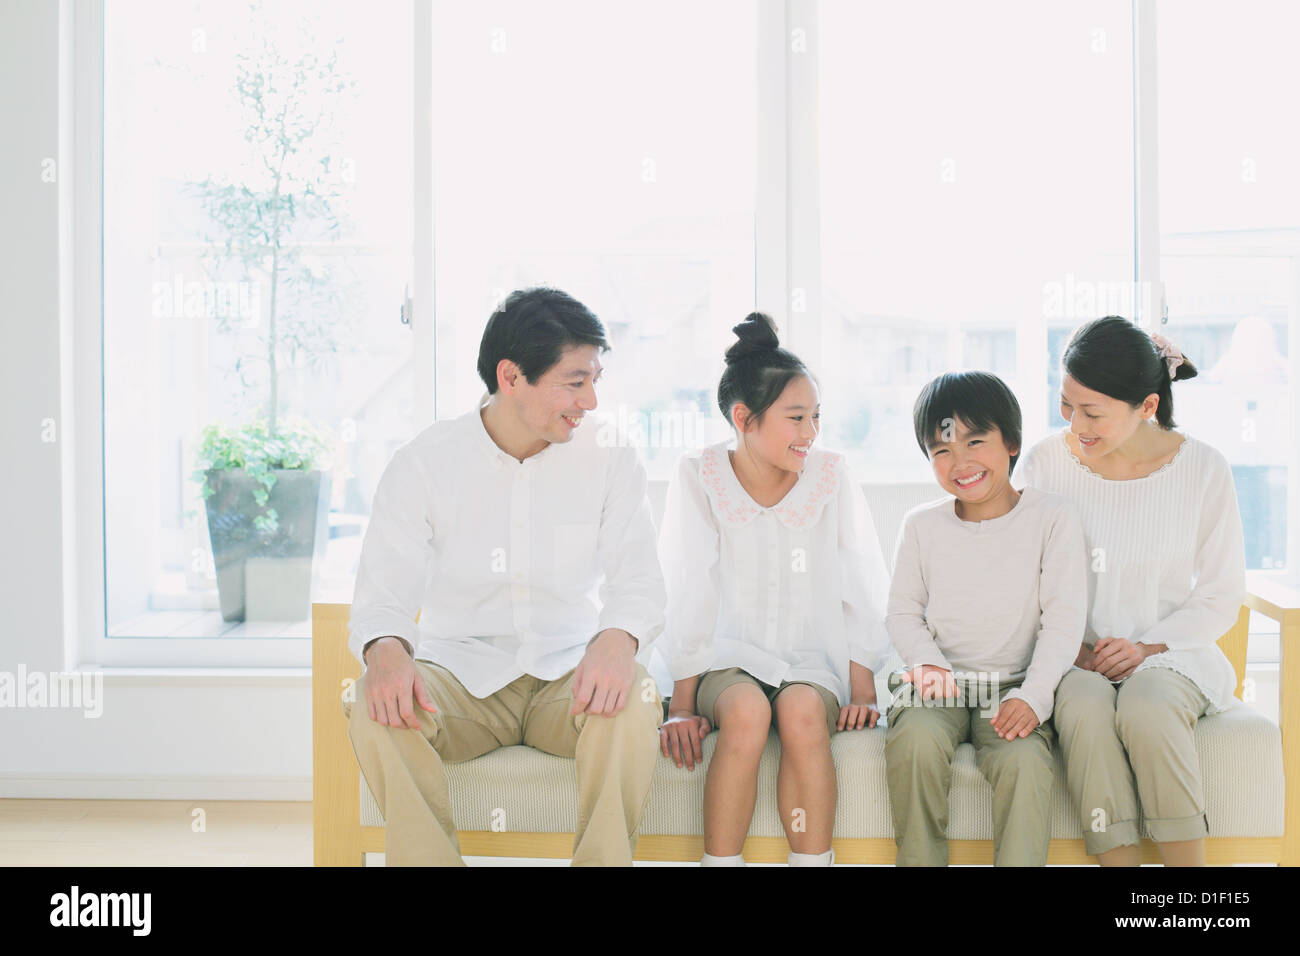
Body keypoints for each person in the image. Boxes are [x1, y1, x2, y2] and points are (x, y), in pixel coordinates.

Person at [342, 287, 667, 866]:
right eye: (574, 381)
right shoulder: (424, 462)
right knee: (372, 698)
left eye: (596, 379)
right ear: (511, 376)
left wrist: (618, 639)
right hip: (459, 679)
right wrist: (385, 647)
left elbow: (637, 580)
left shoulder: (612, 456)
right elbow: (382, 593)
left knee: (637, 692)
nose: (590, 400)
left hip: (570, 677)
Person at [657, 312, 891, 867]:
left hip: (812, 657)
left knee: (803, 715)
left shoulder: (831, 475)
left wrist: (862, 689)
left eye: (815, 417)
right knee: (745, 714)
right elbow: (690, 588)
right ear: (745, 418)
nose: (811, 432)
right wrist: (682, 704)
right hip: (725, 658)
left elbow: (860, 583)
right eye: (795, 418)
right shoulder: (699, 474)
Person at [1016, 315, 1246, 867]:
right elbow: (1022, 578)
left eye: (1092, 412)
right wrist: (1075, 649)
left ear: (1147, 406)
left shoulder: (1204, 469)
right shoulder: (1047, 463)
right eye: (1067, 405)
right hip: (1073, 656)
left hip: (1172, 654)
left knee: (1147, 702)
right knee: (1088, 710)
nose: (1075, 425)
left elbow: (1219, 593)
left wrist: (1148, 648)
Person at [885, 371, 1087, 866]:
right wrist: (928, 666)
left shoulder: (1052, 517)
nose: (962, 462)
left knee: (1023, 764)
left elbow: (1063, 620)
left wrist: (1034, 696)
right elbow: (902, 613)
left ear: (1012, 443)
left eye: (977, 442)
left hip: (1015, 687)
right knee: (912, 741)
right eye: (943, 450)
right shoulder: (920, 525)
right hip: (941, 685)